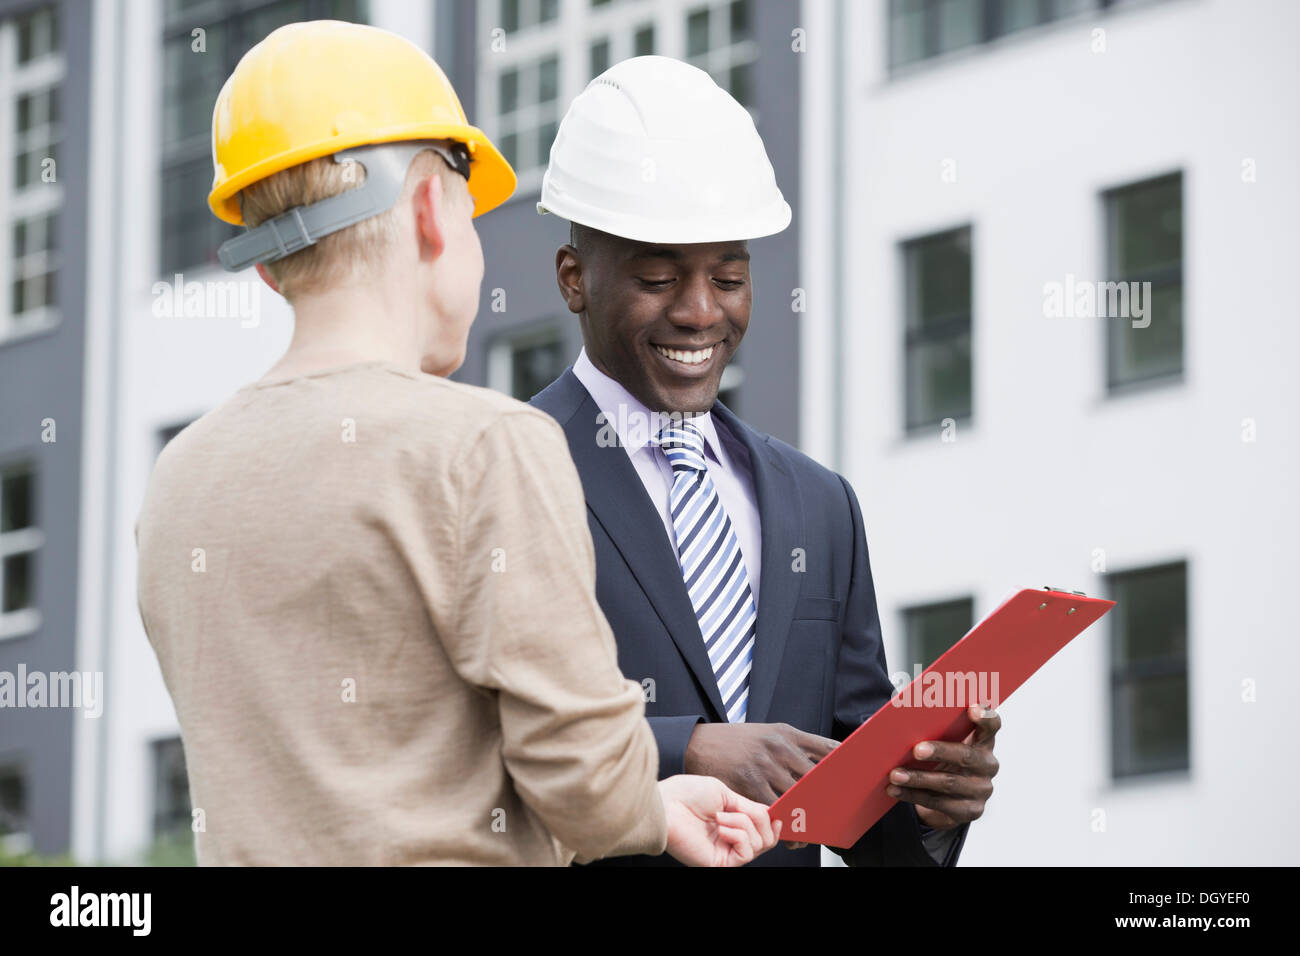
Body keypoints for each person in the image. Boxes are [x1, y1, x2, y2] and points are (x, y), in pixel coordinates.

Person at [135, 22, 778, 867]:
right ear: (432, 211)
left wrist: (649, 805)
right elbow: (585, 783)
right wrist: (642, 805)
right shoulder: (486, 444)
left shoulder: (182, 476)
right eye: (476, 215)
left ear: (266, 261)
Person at [530, 56, 1001, 867]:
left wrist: (930, 803)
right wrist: (687, 749)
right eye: (656, 278)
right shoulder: (504, 470)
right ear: (575, 279)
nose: (700, 312)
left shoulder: (818, 505)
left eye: (729, 277)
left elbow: (854, 804)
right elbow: (471, 740)